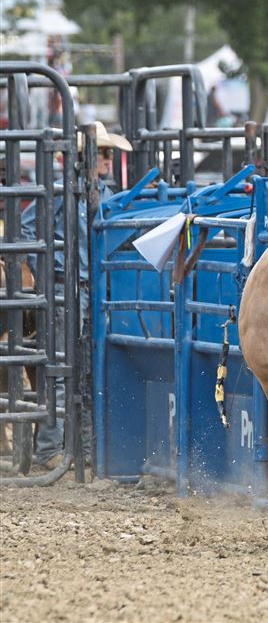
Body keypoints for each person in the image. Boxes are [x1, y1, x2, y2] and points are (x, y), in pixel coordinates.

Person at [21, 121, 133, 469]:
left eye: (109, 153)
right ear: (85, 156)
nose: (108, 159)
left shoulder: (106, 196)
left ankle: (80, 448)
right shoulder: (60, 191)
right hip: (63, 289)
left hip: (89, 292)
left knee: (85, 372)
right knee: (58, 368)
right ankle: (50, 449)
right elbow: (27, 228)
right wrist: (48, 273)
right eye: (103, 153)